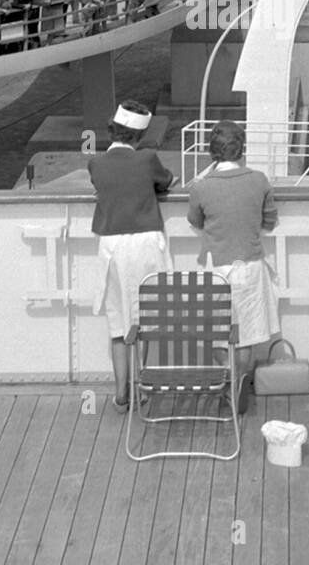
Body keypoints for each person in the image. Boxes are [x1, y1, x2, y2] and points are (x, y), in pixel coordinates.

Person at [87, 101, 174, 409]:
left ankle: (120, 391)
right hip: (145, 243)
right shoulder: (147, 159)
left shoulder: (96, 164)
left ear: (113, 129)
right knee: (145, 318)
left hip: (111, 246)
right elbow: (165, 181)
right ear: (140, 135)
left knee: (118, 322)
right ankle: (141, 386)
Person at [187, 119, 279, 403]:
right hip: (249, 263)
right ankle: (239, 383)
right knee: (247, 333)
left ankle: (227, 379)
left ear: (212, 151)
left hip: (216, 266)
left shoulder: (201, 187)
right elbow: (270, 222)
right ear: (242, 148)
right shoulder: (259, 180)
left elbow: (195, 222)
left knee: (216, 333)